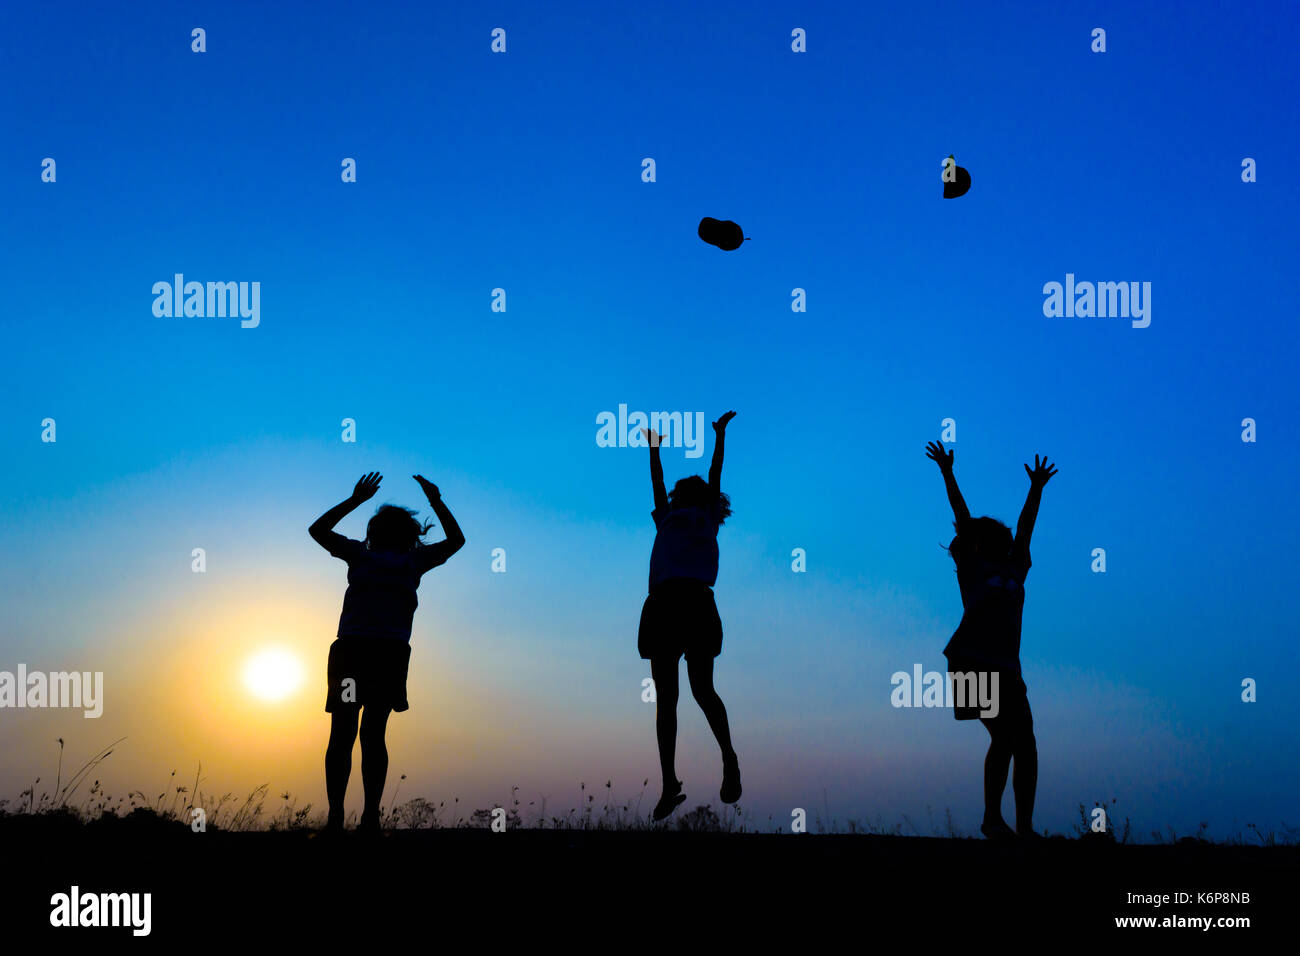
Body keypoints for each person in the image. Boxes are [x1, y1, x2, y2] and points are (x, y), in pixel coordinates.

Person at [308, 472, 465, 834]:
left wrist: (437, 502)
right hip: (355, 652)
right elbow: (317, 531)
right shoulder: (358, 554)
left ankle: (370, 817)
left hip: (383, 654)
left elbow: (457, 540)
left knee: (370, 733)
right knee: (345, 732)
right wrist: (354, 501)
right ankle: (337, 816)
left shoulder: (414, 561)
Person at [924, 441, 1056, 840]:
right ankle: (993, 820)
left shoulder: (1017, 567)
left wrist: (1037, 489)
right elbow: (962, 520)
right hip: (969, 660)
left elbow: (1027, 527)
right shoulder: (972, 567)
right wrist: (947, 472)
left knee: (1024, 744)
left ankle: (1023, 827)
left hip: (1007, 668)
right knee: (1006, 736)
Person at [639, 412, 741, 821]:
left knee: (700, 690)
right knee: (669, 700)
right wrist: (653, 448)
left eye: (684, 490)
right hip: (666, 604)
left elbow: (716, 474)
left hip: (692, 602)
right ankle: (669, 783)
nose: (676, 493)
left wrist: (719, 437)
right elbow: (656, 482)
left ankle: (729, 757)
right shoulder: (667, 514)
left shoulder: (706, 516)